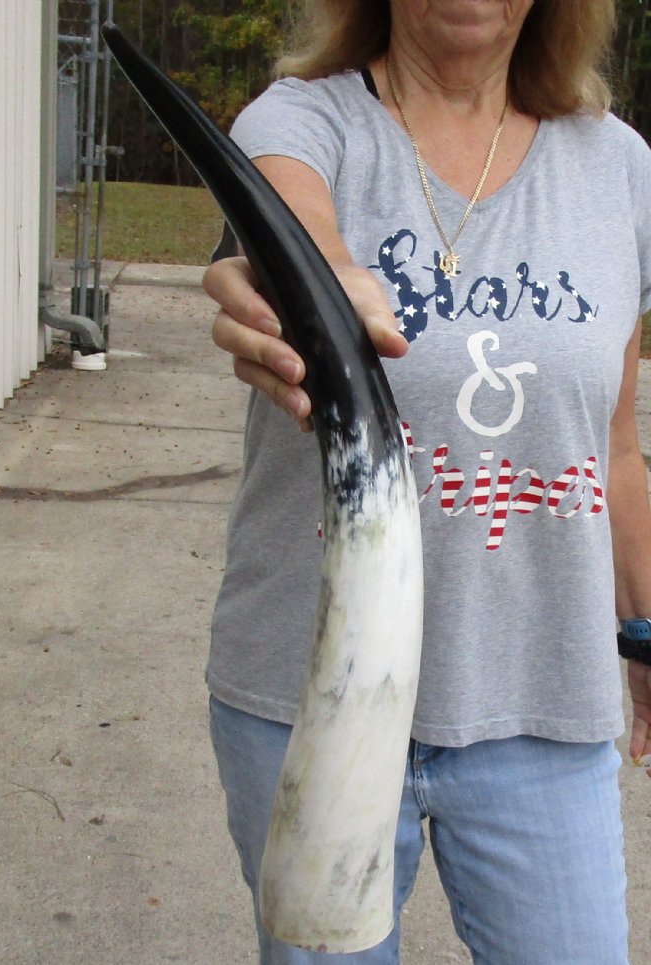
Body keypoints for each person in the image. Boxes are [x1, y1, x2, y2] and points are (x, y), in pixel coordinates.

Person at [201, 1, 651, 962]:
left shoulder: (619, 168)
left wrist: (646, 629)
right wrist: (314, 286)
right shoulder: (302, 120)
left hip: (542, 699)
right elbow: (288, 226)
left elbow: (616, 442)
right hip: (314, 697)